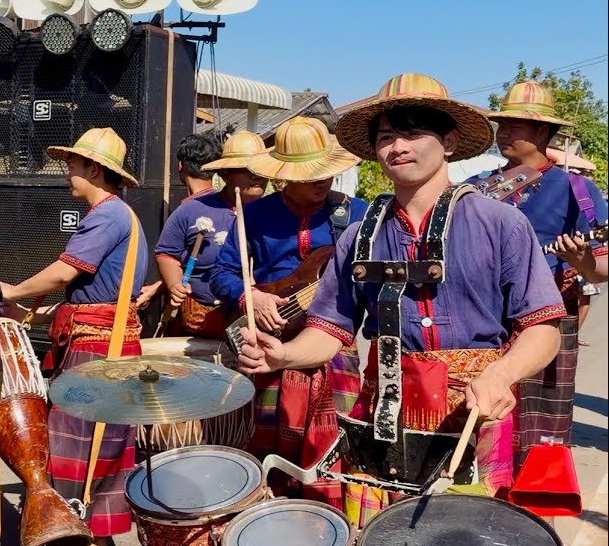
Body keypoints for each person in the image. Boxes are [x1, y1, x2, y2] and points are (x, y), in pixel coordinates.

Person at [240, 73, 564, 527]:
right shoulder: (359, 235)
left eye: (413, 133)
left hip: (475, 412)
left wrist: (503, 374)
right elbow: (330, 329)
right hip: (382, 416)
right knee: (380, 534)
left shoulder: (500, 223)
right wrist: (285, 354)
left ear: (449, 142)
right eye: (387, 137)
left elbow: (543, 326)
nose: (398, 147)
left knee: (466, 534)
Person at [0, 128, 146, 543]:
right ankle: (91, 534)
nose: (68, 173)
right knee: (99, 451)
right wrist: (40, 313)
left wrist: (11, 291)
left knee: (78, 451)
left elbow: (66, 272)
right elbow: (95, 296)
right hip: (104, 340)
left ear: (94, 169)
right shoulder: (120, 215)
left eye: (73, 166)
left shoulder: (107, 215)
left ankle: (68, 532)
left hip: (99, 350)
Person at [209, 116, 367, 505]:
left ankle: (329, 521)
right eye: (308, 174)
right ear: (284, 176)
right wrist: (253, 299)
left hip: (333, 348)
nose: (321, 181)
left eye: (325, 172)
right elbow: (221, 274)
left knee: (335, 448)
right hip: (269, 345)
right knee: (265, 446)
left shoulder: (359, 215)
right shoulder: (255, 215)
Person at [475, 81, 607, 468]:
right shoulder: (477, 188)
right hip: (484, 318)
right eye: (504, 125)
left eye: (517, 126)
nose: (506, 133)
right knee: (479, 419)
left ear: (543, 133)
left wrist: (581, 261)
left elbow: (600, 271)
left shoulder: (577, 190)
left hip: (548, 318)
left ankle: (534, 520)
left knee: (539, 435)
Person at [155, 130, 268, 338]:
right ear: (225, 174)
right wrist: (174, 284)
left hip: (261, 324)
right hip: (201, 324)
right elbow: (166, 252)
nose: (256, 176)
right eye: (247, 170)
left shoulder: (276, 213)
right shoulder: (192, 210)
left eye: (261, 169)